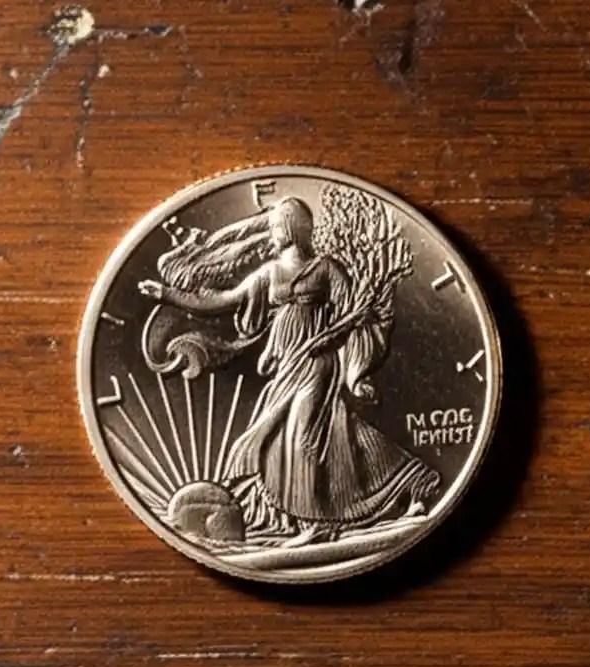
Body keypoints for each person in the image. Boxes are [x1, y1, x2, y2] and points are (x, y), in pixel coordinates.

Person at [139, 197, 433, 543]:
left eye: (277, 226)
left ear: (292, 229)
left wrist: (339, 354)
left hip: (318, 364)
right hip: (288, 366)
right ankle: (408, 483)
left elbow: (353, 316)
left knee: (304, 438)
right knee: (286, 437)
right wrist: (168, 294)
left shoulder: (327, 269)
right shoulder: (268, 273)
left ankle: (319, 524)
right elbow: (220, 302)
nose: (272, 234)